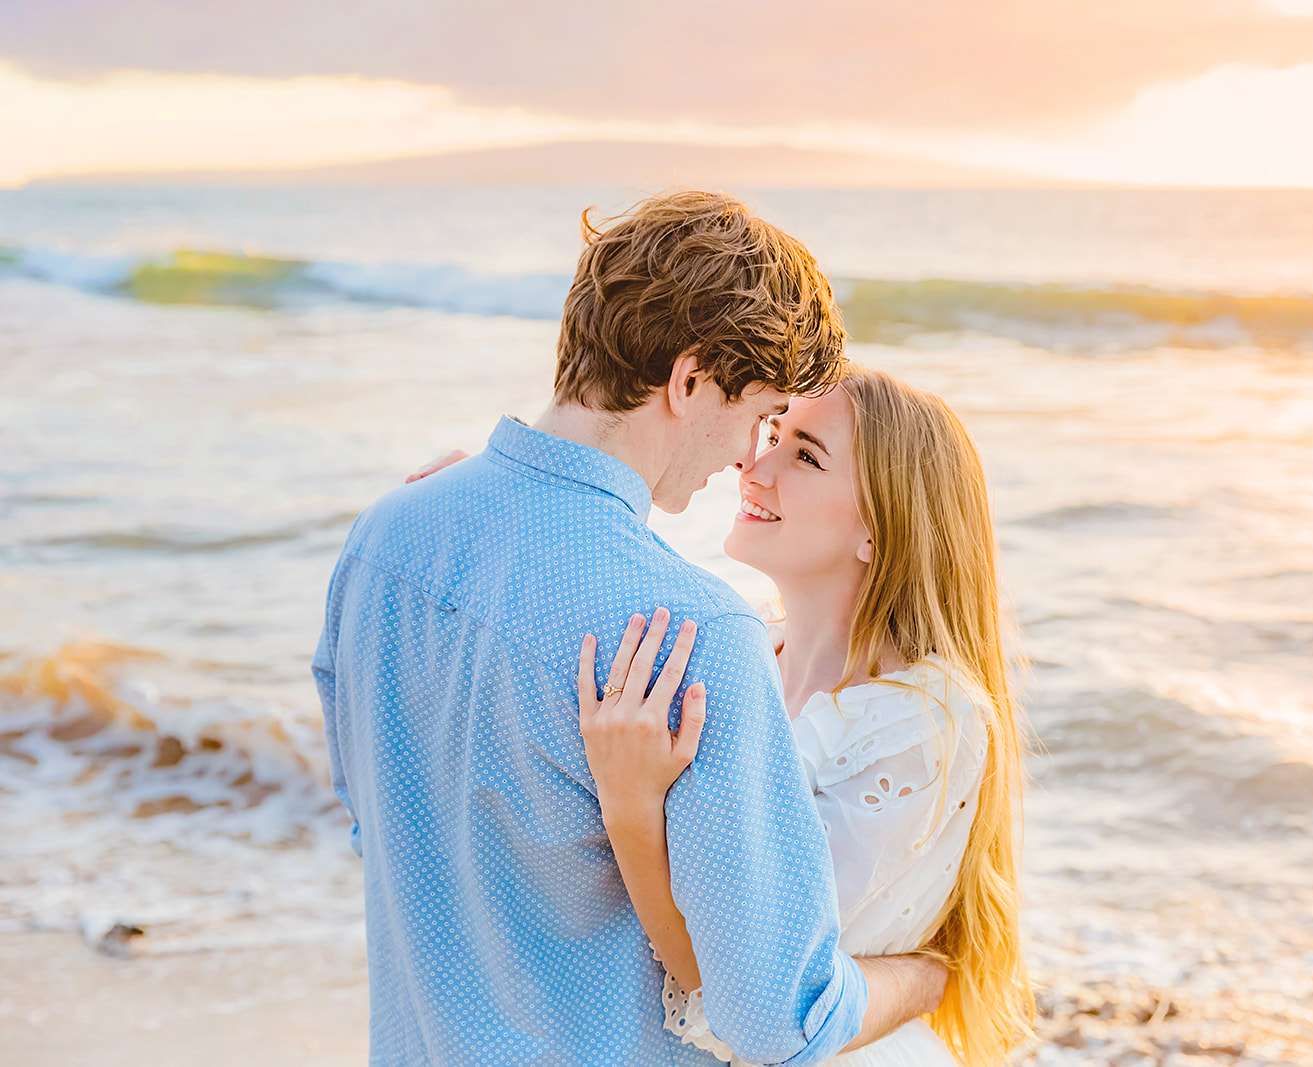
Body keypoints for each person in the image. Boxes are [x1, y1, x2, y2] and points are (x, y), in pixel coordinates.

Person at [313, 190, 946, 1066]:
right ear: (690, 381)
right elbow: (778, 1017)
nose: (744, 459)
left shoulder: (388, 532)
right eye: (758, 415)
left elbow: (369, 813)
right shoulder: (697, 634)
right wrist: (926, 977)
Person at [576, 366, 1034, 1065]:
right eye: (772, 433)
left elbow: (751, 990)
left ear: (881, 531)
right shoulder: (749, 645)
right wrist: (501, 503)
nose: (753, 469)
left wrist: (631, 814)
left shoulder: (923, 721)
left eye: (805, 455)